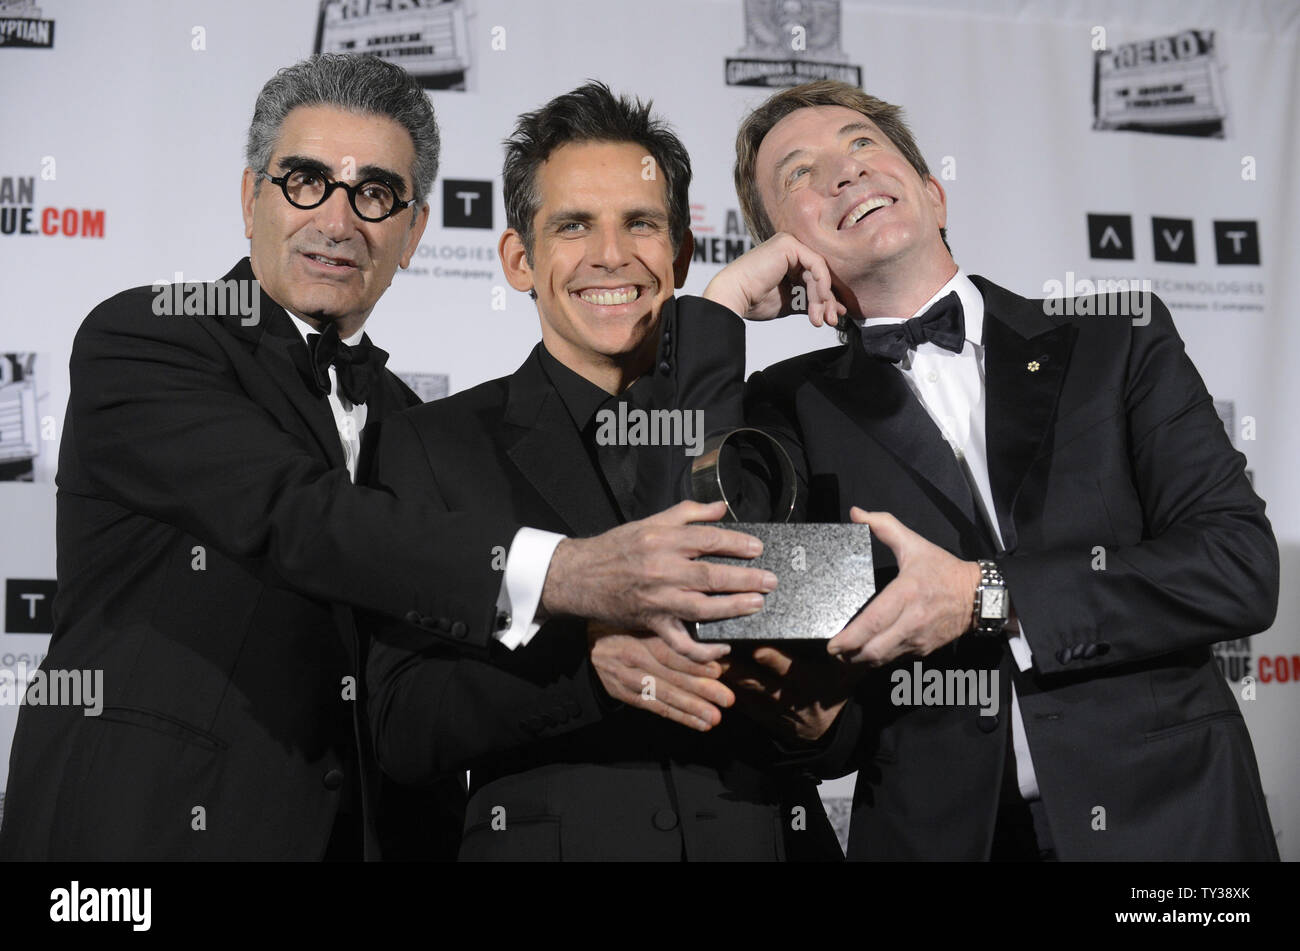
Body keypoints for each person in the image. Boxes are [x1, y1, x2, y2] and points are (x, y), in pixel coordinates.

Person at [0, 56, 772, 861]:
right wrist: (567, 573)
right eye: (305, 181)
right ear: (248, 199)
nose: (338, 222)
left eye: (374, 193)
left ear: (413, 233)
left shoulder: (413, 424)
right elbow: (297, 515)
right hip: (148, 835)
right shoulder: (152, 338)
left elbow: (413, 692)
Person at [700, 80, 1279, 860]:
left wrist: (987, 595)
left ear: (933, 195)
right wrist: (716, 313)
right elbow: (722, 586)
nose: (843, 173)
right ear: (782, 246)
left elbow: (1235, 566)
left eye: (861, 143)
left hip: (1172, 826)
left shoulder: (1117, 340)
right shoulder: (783, 406)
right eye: (798, 174)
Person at [365, 81, 841, 861]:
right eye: (574, 225)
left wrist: (827, 719)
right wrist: (585, 667)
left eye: (641, 223)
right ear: (521, 259)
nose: (611, 255)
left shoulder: (769, 426)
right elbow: (401, 723)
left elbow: (832, 700)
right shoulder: (429, 445)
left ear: (682, 254)